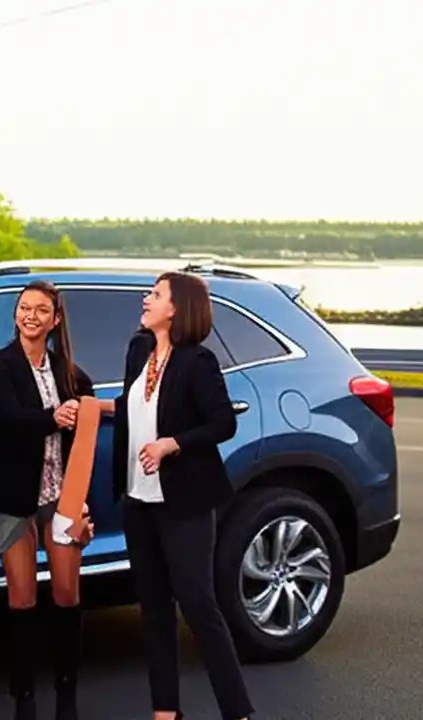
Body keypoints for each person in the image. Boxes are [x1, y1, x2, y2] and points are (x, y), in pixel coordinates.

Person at [113, 272, 254, 720]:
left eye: (155, 295)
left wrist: (171, 443)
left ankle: (238, 711)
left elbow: (222, 425)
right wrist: (88, 407)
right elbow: (129, 406)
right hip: (138, 500)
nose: (146, 299)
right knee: (153, 611)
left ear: (176, 309)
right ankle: (166, 711)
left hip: (186, 500)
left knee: (198, 605)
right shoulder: (139, 350)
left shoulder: (198, 362)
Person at [0, 280, 96, 720]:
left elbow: (88, 435)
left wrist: (84, 503)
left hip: (61, 496)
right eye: (24, 308)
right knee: (22, 598)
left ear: (55, 320)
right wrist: (54, 416)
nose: (31, 315)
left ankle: (67, 694)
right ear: (16, 315)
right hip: (12, 495)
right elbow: (9, 420)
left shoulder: (71, 374)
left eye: (41, 310)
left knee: (67, 595)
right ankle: (24, 697)